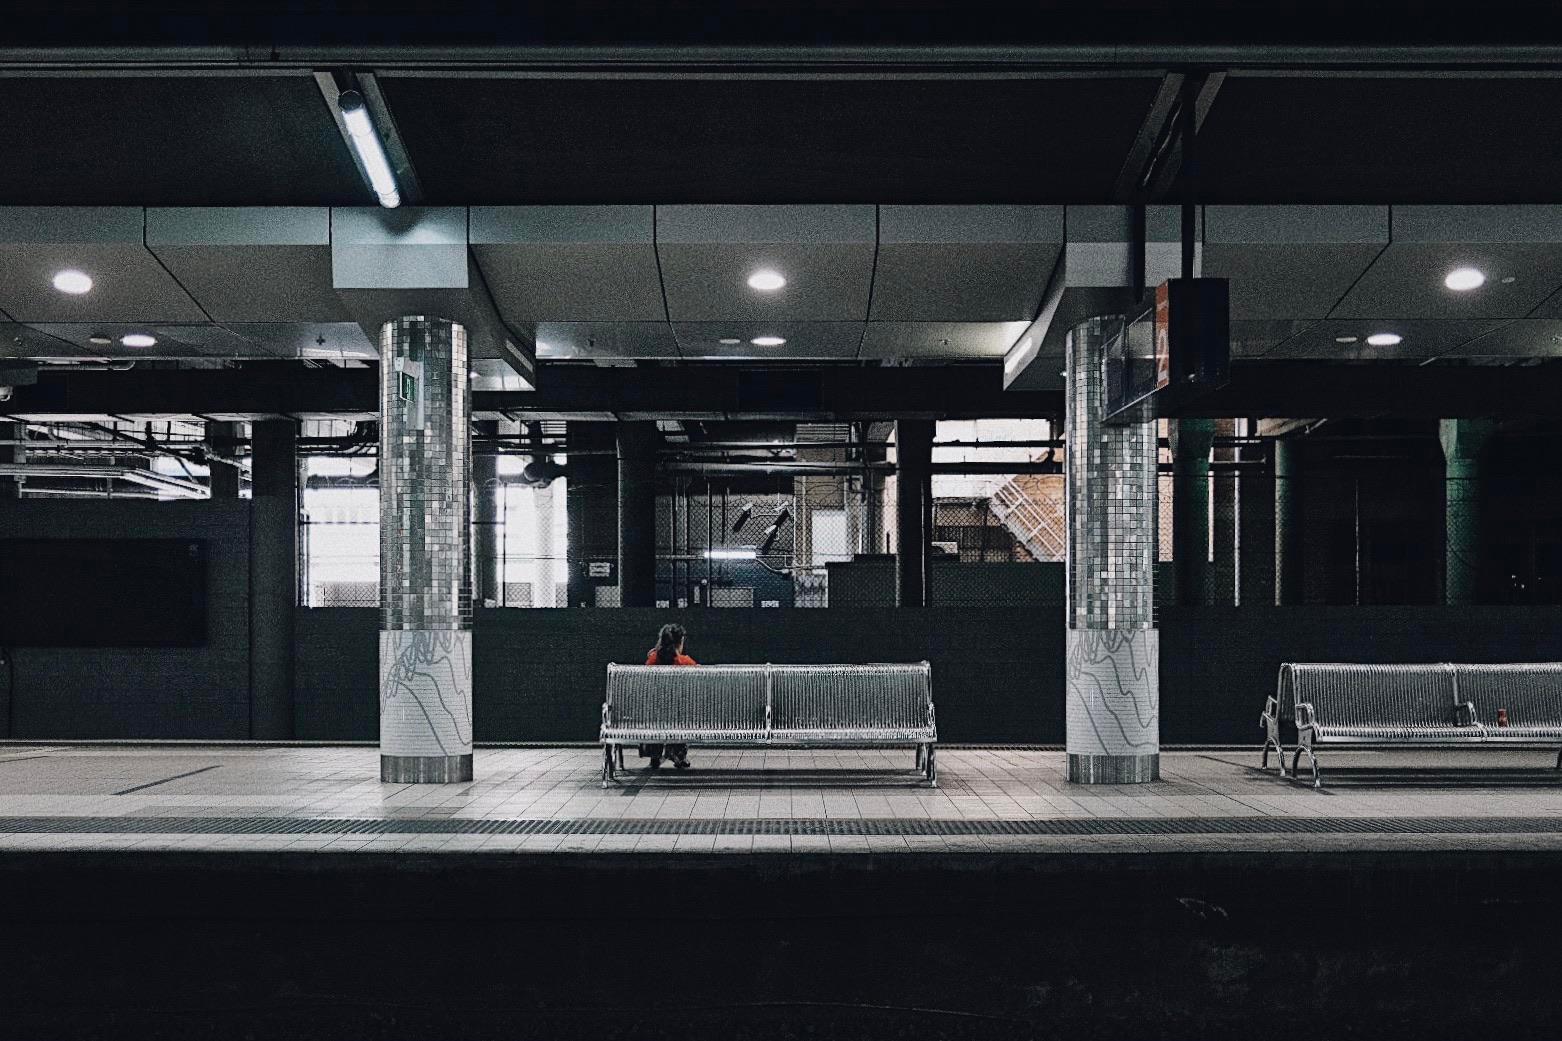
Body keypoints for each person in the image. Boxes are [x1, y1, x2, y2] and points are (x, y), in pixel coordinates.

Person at [642, 622, 696, 770]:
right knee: (681, 713)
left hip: (655, 715)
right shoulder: (686, 663)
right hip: (680, 716)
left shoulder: (652, 661)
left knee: (655, 712)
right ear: (680, 642)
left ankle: (654, 754)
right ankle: (678, 754)